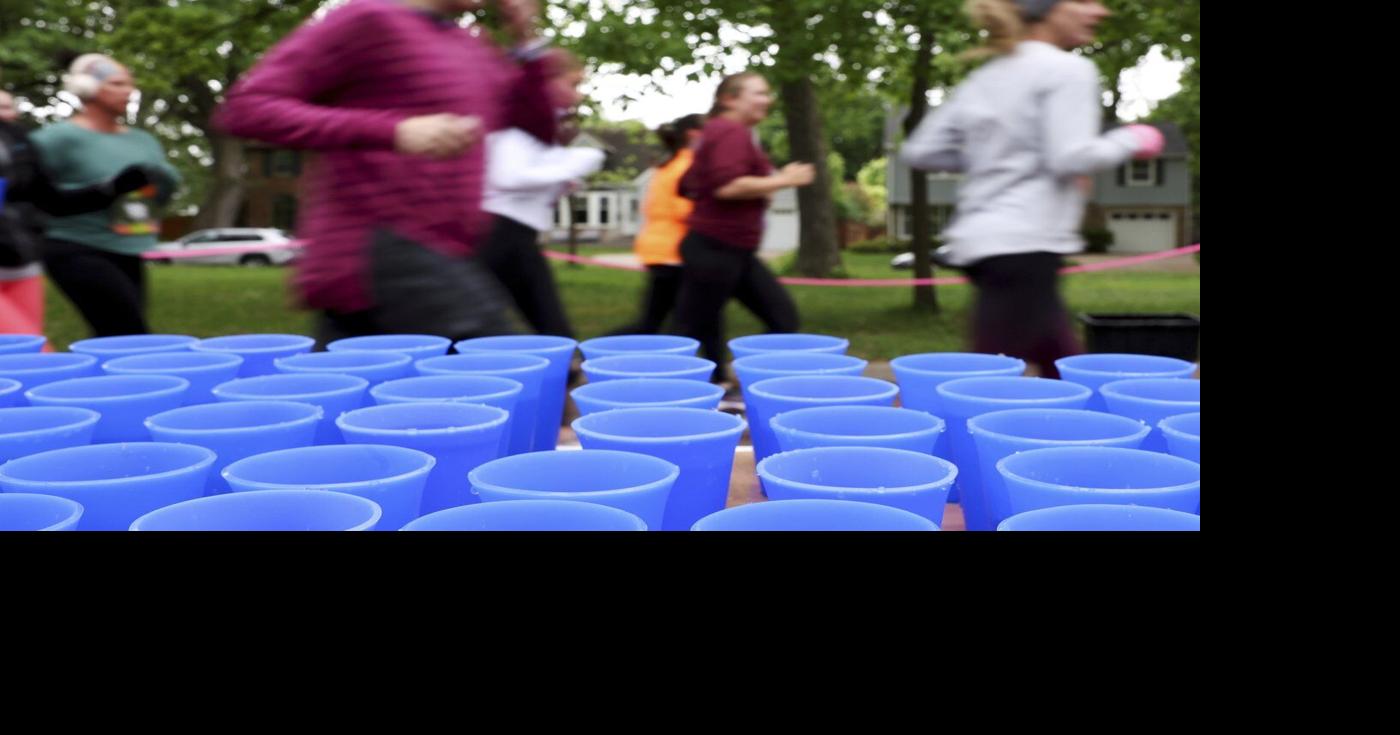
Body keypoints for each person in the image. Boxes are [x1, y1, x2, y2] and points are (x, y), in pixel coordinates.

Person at [214, 0, 557, 346]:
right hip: (380, 245)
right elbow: (249, 107)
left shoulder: (472, 46)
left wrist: (526, 42)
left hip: (448, 252)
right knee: (522, 373)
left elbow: (538, 128)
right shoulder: (367, 19)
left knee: (357, 389)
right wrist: (394, 131)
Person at [900, 0, 1165, 378]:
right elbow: (1069, 157)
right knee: (990, 382)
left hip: (989, 246)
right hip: (1023, 243)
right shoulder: (1067, 69)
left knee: (1058, 362)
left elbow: (920, 151)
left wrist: (996, 159)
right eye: (1085, 1)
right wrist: (1131, 140)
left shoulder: (987, 77)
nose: (1100, 12)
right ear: (1048, 8)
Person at [673, 72, 814, 383]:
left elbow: (689, 184)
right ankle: (653, 391)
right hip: (715, 247)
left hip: (730, 249)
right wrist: (785, 180)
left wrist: (770, 180)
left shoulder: (719, 132)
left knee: (774, 318)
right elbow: (727, 186)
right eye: (759, 93)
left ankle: (748, 387)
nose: (768, 99)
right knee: (691, 331)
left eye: (767, 93)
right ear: (729, 99)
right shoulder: (729, 132)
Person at [29, 55, 182, 338]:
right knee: (128, 333)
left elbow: (156, 198)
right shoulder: (56, 140)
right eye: (117, 84)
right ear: (87, 88)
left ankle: (102, 381)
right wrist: (107, 188)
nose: (129, 90)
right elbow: (30, 194)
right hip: (74, 246)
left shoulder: (143, 141)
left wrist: (166, 183)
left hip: (129, 247)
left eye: (130, 84)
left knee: (114, 336)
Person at [479, 49, 604, 338]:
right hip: (499, 235)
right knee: (472, 326)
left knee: (549, 325)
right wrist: (578, 160)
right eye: (574, 84)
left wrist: (561, 179)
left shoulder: (538, 131)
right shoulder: (516, 126)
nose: (579, 95)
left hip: (516, 236)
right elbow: (509, 177)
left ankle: (565, 368)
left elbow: (530, 176)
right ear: (546, 83)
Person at [606, 113, 705, 340]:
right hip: (674, 251)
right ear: (694, 134)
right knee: (678, 322)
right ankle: (593, 354)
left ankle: (592, 354)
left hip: (660, 249)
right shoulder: (688, 165)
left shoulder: (669, 164)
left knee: (657, 321)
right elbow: (682, 209)